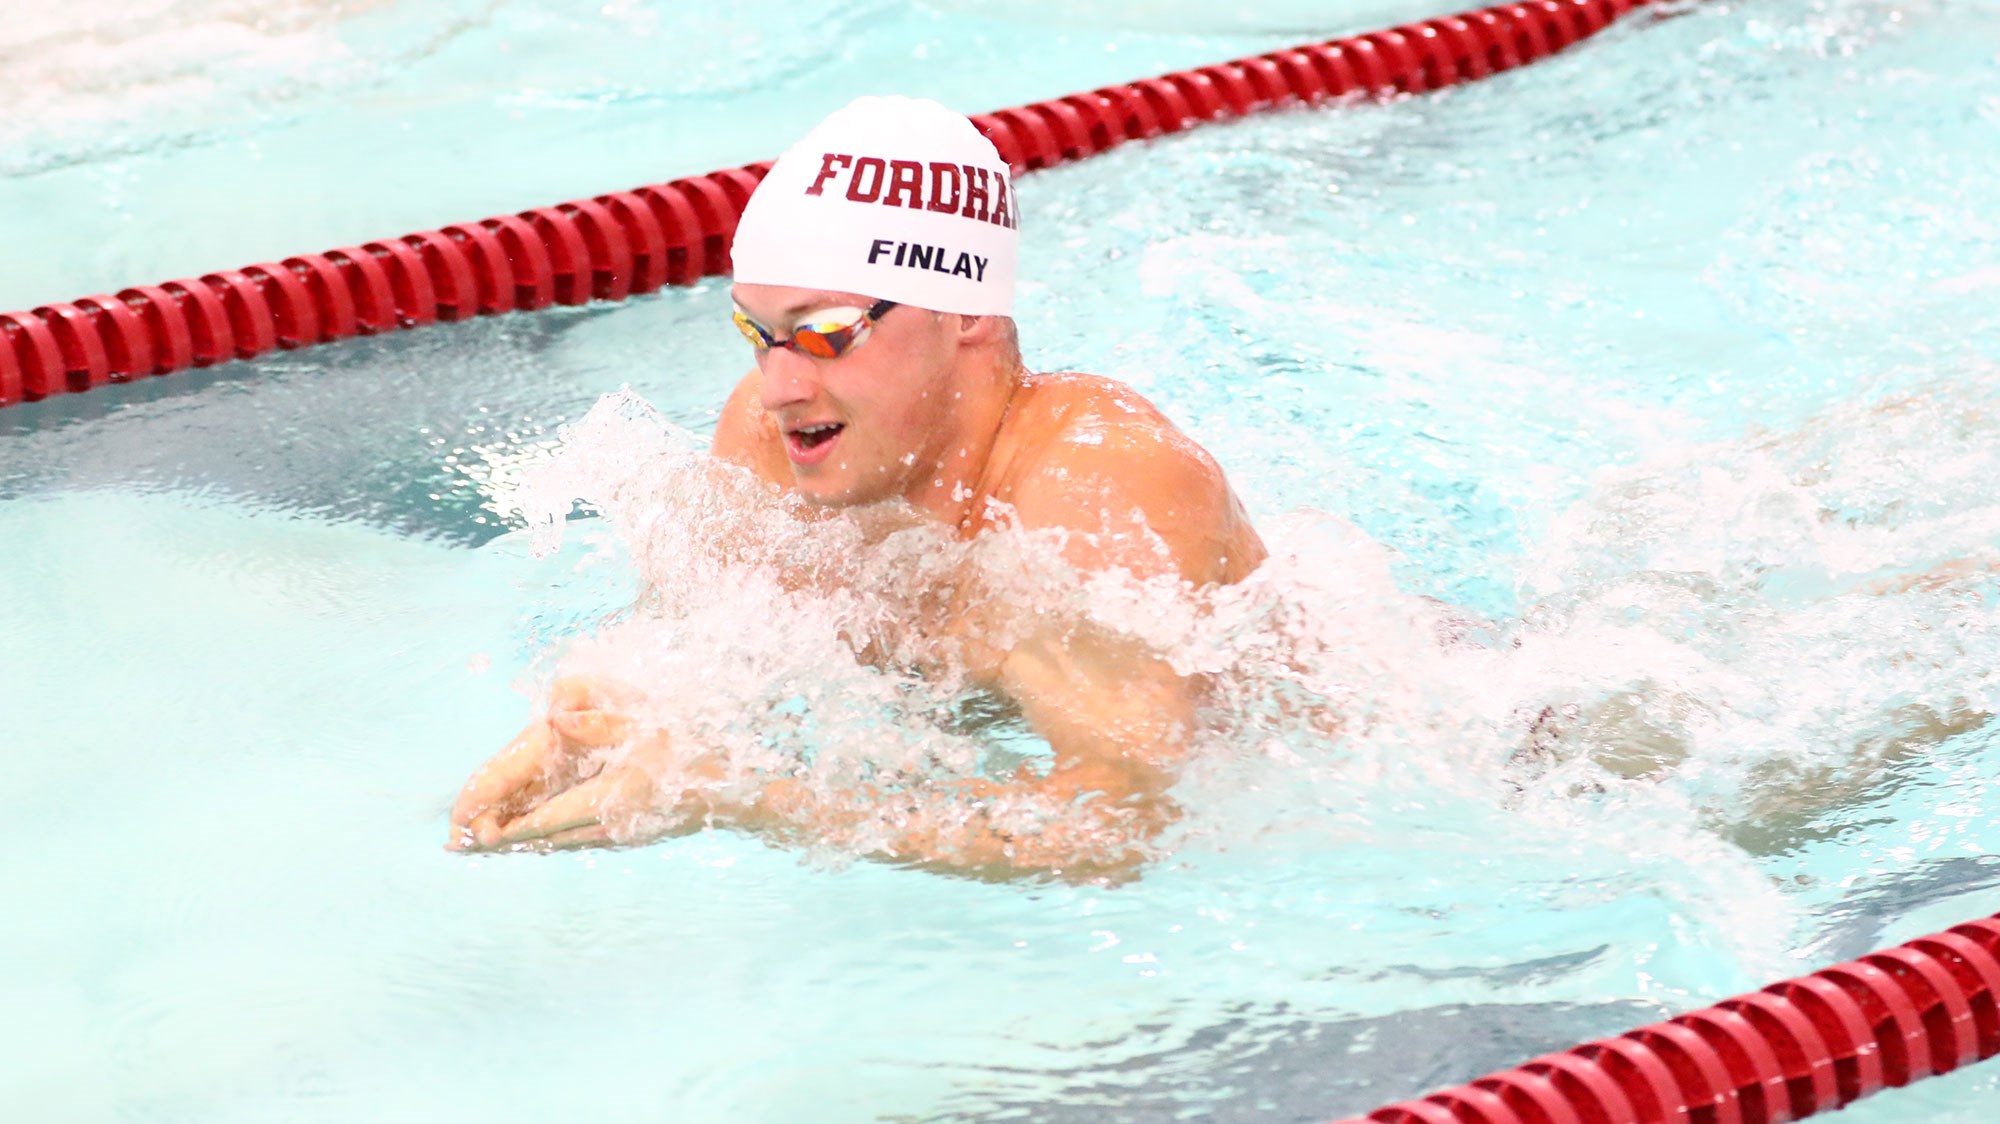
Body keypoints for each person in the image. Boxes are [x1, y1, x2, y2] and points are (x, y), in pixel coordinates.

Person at [447, 95, 1266, 878]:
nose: (779, 386)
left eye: (824, 333)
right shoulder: (780, 439)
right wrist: (605, 733)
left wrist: (744, 794)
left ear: (966, 312)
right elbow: (710, 661)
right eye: (759, 335)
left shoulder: (1104, 484)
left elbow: (1112, 826)